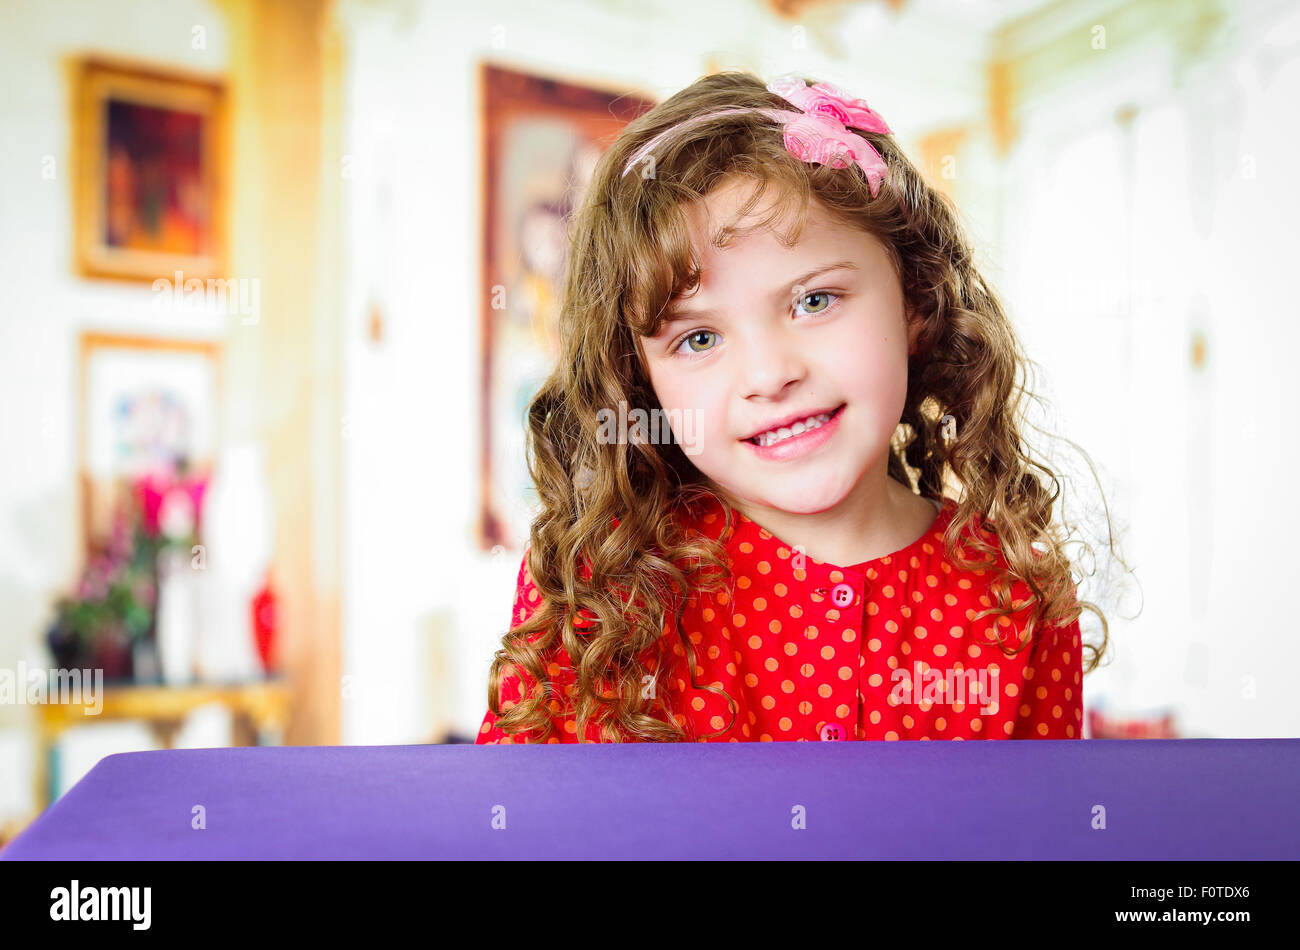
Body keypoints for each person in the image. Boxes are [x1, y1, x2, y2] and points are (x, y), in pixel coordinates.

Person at [477, 70, 1116, 744]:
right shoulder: (599, 592)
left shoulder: (1017, 591)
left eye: (814, 301)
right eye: (698, 338)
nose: (770, 374)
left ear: (915, 302)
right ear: (642, 382)